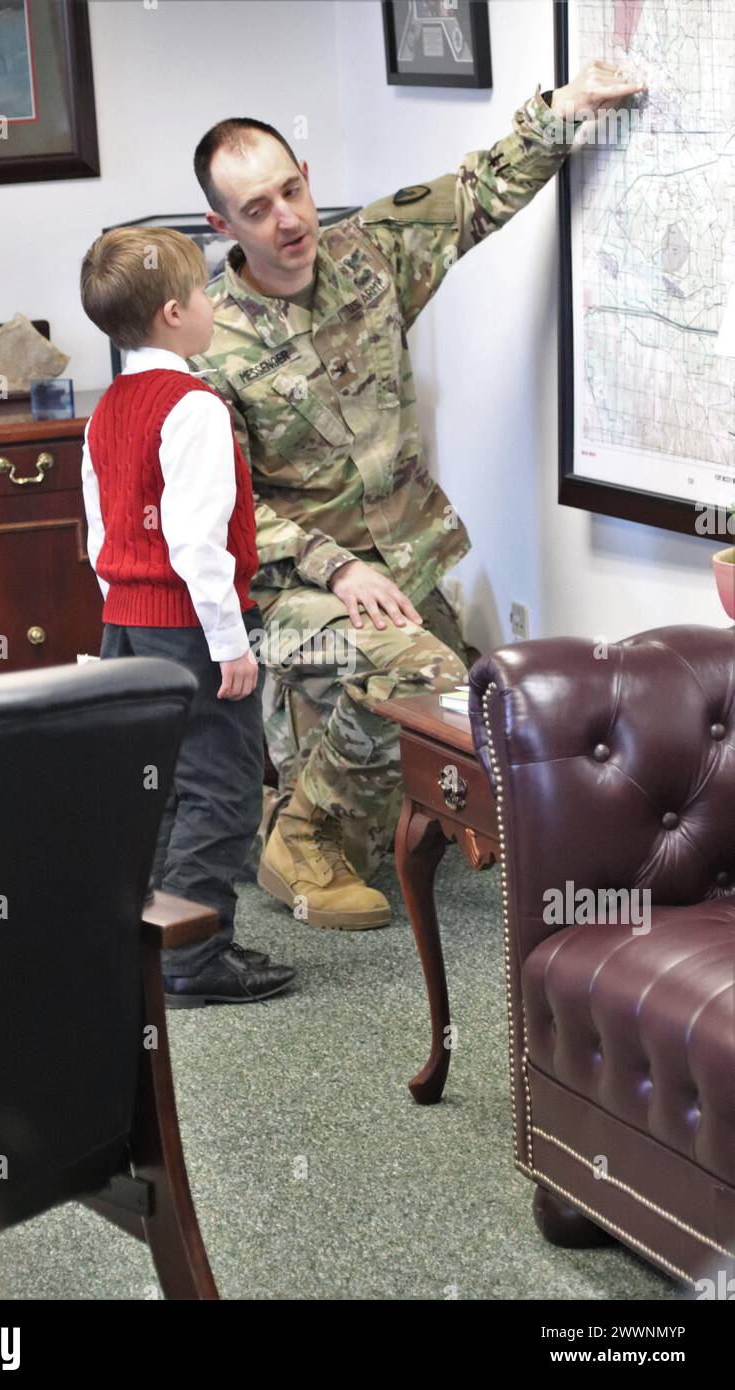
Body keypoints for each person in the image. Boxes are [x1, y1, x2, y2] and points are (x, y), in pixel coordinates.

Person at [189, 61, 646, 931]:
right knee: (413, 676)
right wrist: (336, 568)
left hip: (403, 561)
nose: (288, 219)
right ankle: (301, 838)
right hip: (289, 592)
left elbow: (475, 194)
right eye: (258, 209)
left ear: (306, 177)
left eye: (292, 190)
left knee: (469, 706)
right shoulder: (209, 344)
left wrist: (567, 108)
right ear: (223, 226)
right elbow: (227, 510)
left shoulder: (368, 251)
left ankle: (312, 792)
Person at [80, 226, 296, 1007]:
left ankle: (159, 942)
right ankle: (196, 959)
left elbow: (100, 532)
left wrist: (122, 615)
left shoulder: (108, 408)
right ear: (174, 312)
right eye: (204, 291)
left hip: (127, 623)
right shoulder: (194, 406)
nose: (212, 302)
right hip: (190, 627)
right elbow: (197, 542)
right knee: (224, 789)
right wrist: (230, 643)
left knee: (161, 787)